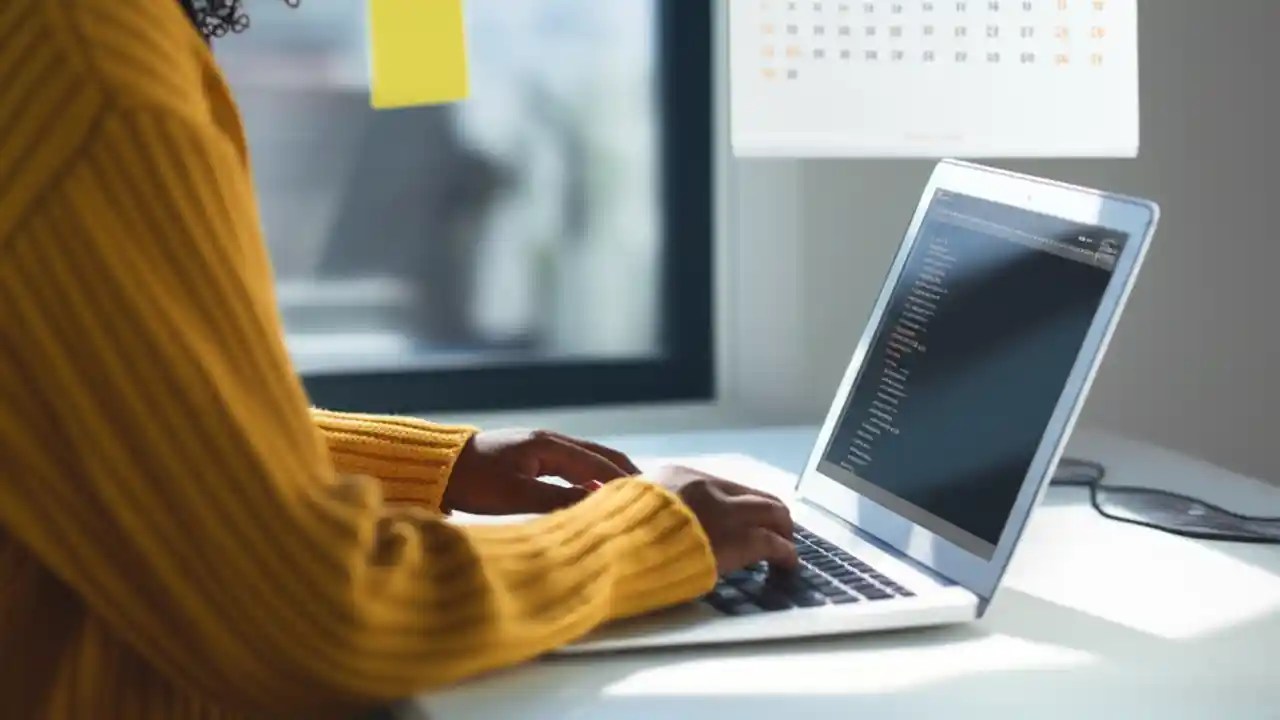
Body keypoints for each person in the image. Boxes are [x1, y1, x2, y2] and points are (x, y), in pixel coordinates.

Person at [0, 1, 799, 718]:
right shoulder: (96, 67)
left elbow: (97, 412)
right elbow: (312, 614)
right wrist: (646, 537)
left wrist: (422, 467)